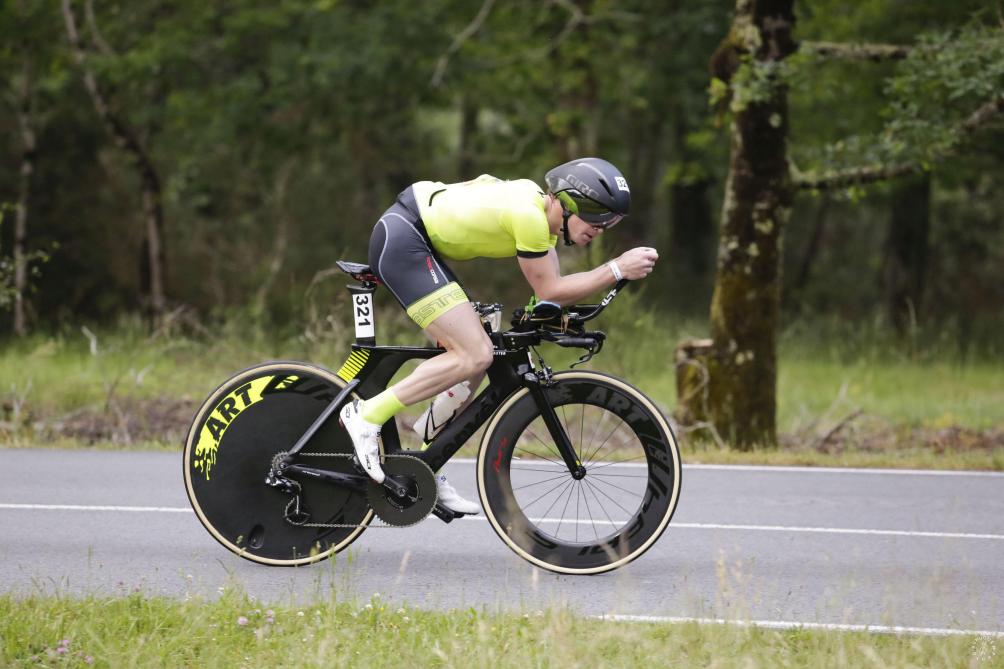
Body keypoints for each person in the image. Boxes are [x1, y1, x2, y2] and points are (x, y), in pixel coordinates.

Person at [340, 157, 659, 514]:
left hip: (417, 239)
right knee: (475, 353)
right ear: (569, 203)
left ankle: (424, 462)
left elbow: (545, 302)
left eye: (610, 223)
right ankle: (367, 415)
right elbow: (552, 289)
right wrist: (616, 268)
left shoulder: (543, 222)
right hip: (405, 239)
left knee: (482, 346)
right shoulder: (531, 218)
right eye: (599, 219)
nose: (601, 230)